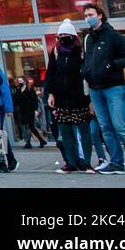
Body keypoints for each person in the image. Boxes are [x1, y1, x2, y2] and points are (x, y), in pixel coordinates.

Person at [77, 3, 125, 174]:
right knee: (106, 127)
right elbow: (86, 59)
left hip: (113, 87)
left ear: (99, 15)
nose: (87, 18)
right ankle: (117, 163)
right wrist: (85, 71)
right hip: (95, 88)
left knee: (120, 126)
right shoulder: (88, 38)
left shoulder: (113, 36)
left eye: (90, 14)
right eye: (85, 16)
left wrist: (111, 65)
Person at [45, 20, 95, 173]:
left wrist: (90, 98)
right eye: (60, 35)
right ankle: (71, 162)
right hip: (61, 97)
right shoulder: (56, 51)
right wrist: (50, 93)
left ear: (73, 36)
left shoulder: (81, 52)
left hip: (79, 97)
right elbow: (50, 73)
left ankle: (87, 163)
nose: (62, 38)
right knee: (66, 132)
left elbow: (88, 73)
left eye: (66, 35)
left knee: (84, 131)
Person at [16, 77, 46, 148]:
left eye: (21, 81)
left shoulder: (30, 88)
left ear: (24, 81)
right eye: (19, 81)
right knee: (31, 127)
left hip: (30, 110)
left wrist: (36, 110)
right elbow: (18, 100)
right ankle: (41, 140)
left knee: (28, 126)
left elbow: (34, 99)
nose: (20, 82)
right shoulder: (19, 89)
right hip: (23, 111)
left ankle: (28, 143)